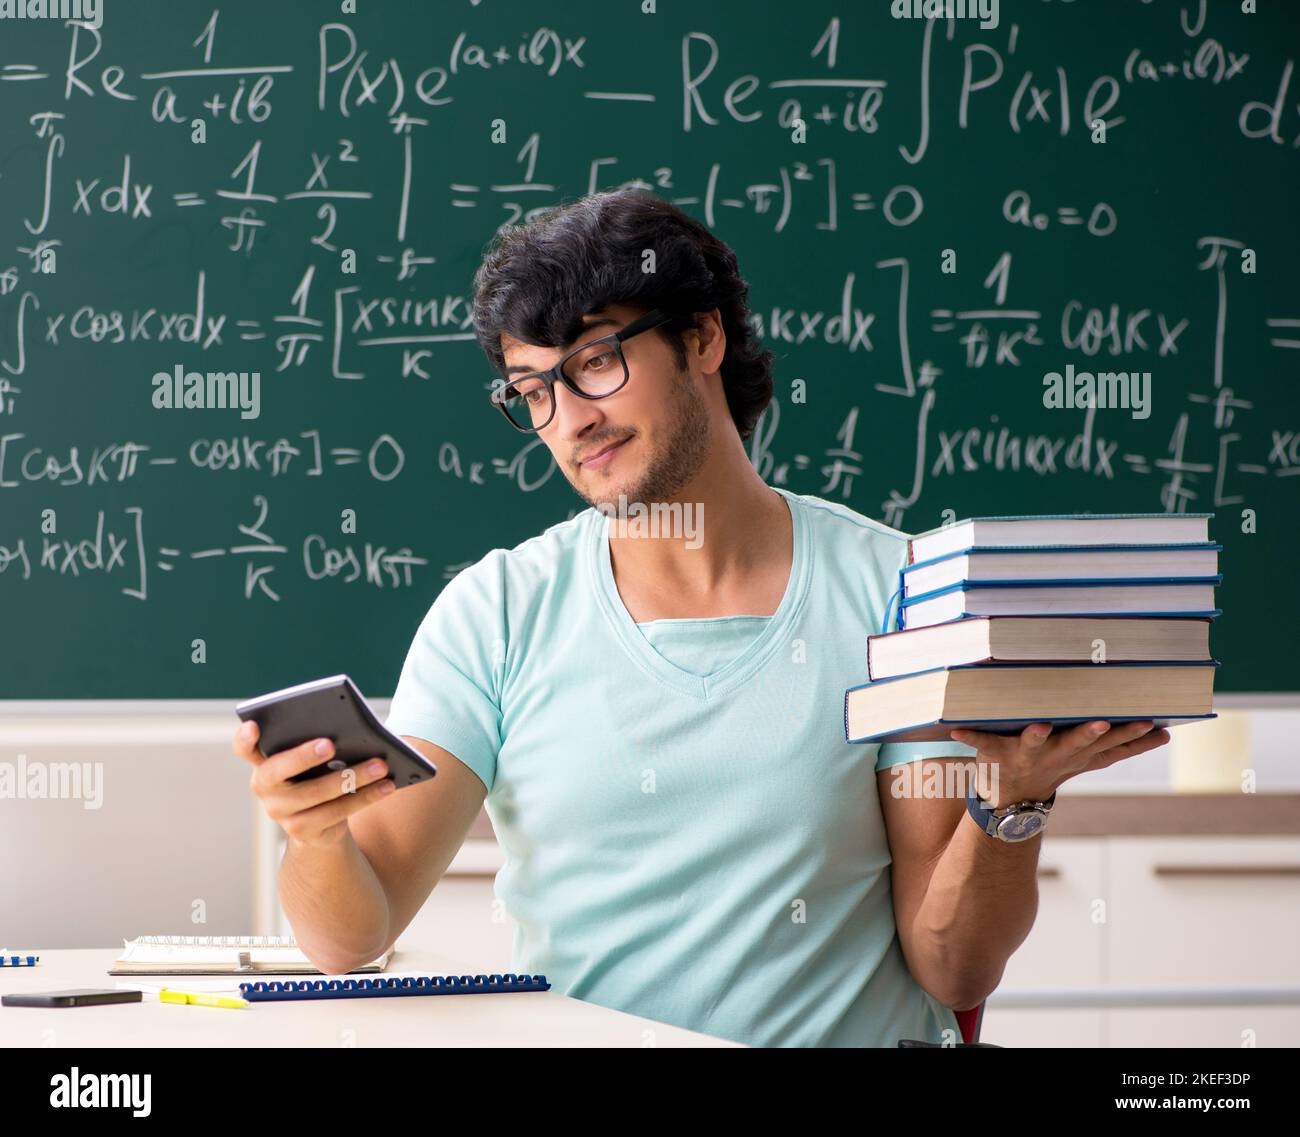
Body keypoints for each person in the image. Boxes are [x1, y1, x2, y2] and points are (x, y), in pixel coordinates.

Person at [232, 188, 1167, 1047]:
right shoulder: (497, 612)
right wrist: (315, 838)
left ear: (704, 338)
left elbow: (951, 966)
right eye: (533, 390)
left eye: (597, 362)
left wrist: (1012, 801)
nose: (569, 420)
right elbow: (351, 938)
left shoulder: (900, 592)